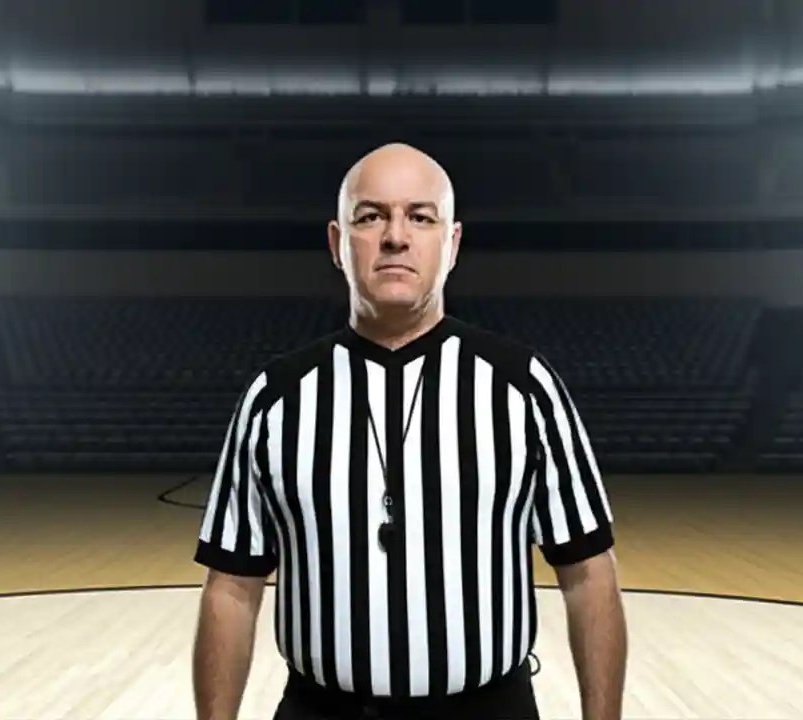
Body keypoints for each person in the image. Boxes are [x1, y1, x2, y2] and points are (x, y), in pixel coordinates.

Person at [192, 142, 627, 720]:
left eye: (420, 217)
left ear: (451, 244)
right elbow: (232, 588)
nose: (395, 236)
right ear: (336, 244)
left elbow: (588, 574)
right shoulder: (276, 397)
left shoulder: (523, 387)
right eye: (370, 216)